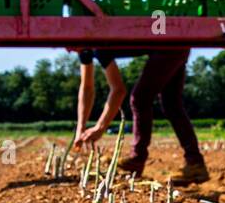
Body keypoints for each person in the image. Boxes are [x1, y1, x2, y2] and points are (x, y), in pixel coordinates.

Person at [73, 48, 207, 185]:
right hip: (176, 44)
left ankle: (137, 159)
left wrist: (100, 127)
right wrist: (80, 130)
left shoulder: (99, 46)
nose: (67, 49)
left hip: (169, 43)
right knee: (171, 103)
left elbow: (118, 90)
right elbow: (87, 88)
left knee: (140, 98)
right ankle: (195, 164)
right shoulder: (85, 50)